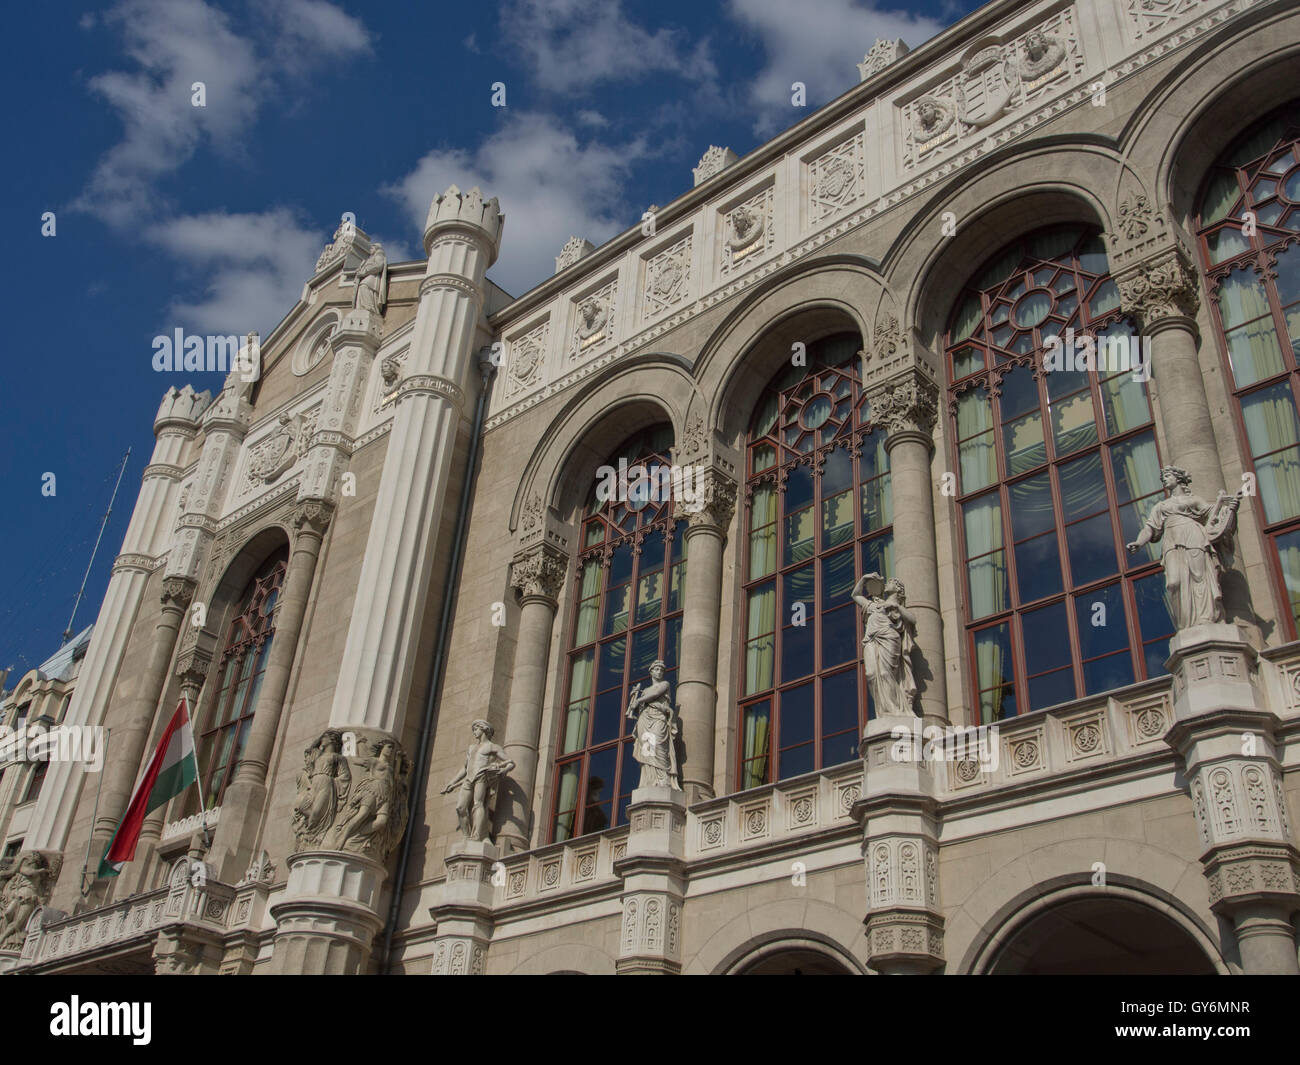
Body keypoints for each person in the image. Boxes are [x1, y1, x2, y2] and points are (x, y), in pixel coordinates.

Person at [1126, 465, 1240, 630]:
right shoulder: (1160, 506)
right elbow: (1149, 528)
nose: (1164, 479)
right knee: (1173, 583)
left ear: (1178, 478)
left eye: (1167, 476)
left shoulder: (1193, 500)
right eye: (1163, 477)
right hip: (1171, 541)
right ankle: (1186, 625)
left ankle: (1206, 618)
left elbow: (1217, 518)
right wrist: (1139, 542)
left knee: (1199, 576)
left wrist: (1231, 509)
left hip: (1193, 535)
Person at [852, 573, 918, 717]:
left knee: (885, 673)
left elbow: (912, 619)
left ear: (897, 589)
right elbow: (855, 595)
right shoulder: (872, 605)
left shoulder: (894, 605)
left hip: (888, 638)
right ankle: (883, 710)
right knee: (871, 674)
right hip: (870, 640)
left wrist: (897, 607)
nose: (888, 583)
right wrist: (864, 578)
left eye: (891, 582)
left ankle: (894, 710)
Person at [442, 720, 515, 842]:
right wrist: (452, 782)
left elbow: (511, 762)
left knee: (478, 804)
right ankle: (466, 835)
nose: (474, 732)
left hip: (481, 777)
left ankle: (476, 836)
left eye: (476, 729)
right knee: (460, 807)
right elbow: (465, 767)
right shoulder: (472, 748)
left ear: (484, 729)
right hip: (468, 779)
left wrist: (503, 771)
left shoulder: (492, 747)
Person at [625, 661, 680, 790]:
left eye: (661, 670)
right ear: (651, 672)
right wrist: (634, 702)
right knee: (647, 750)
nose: (659, 672)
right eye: (656, 669)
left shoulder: (665, 684)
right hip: (645, 719)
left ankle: (662, 779)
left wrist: (638, 700)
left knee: (659, 747)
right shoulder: (645, 691)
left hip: (658, 719)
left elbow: (655, 694)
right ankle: (649, 780)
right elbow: (640, 709)